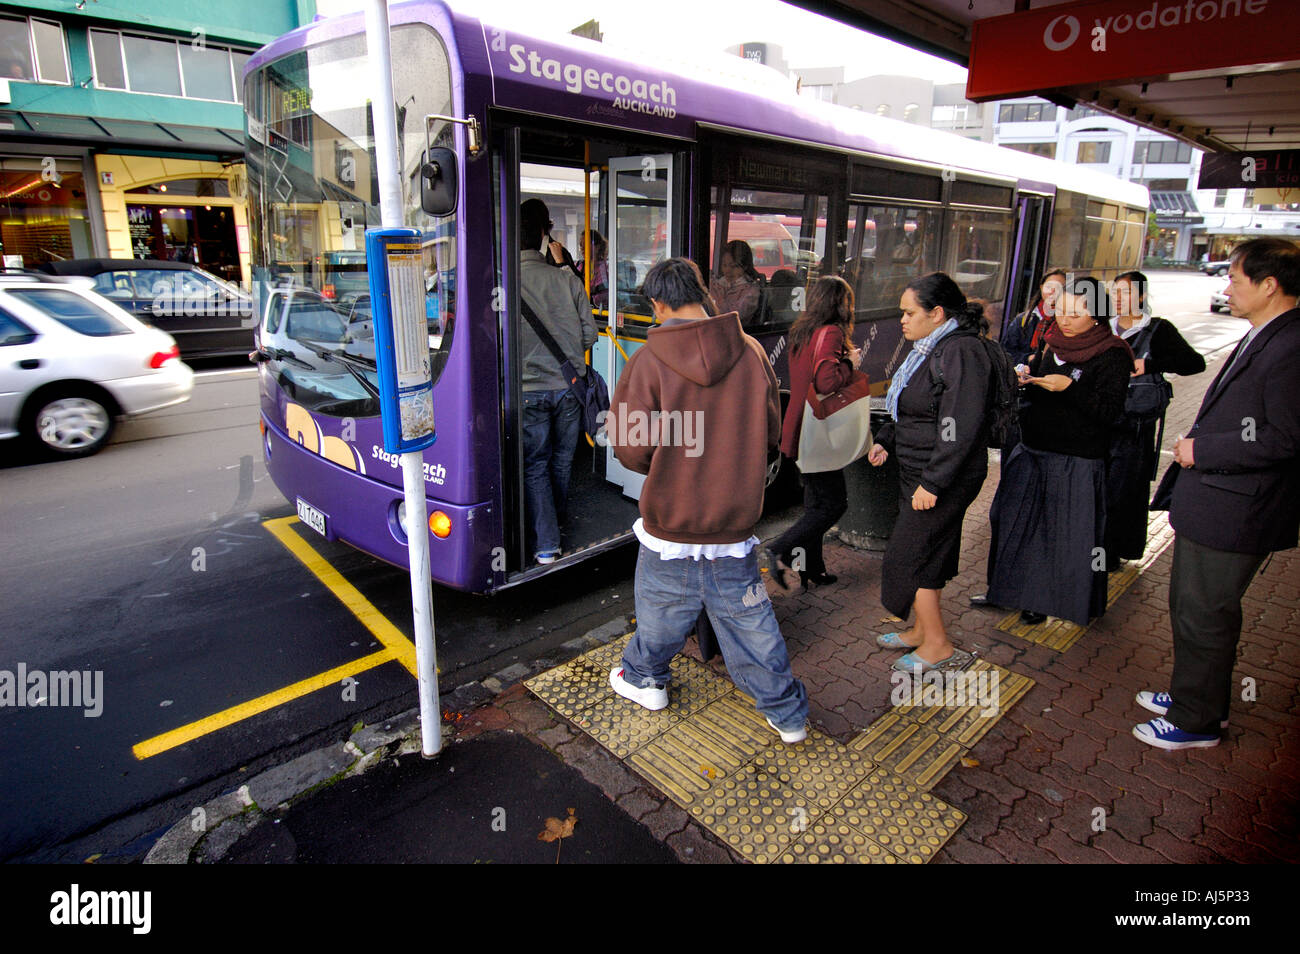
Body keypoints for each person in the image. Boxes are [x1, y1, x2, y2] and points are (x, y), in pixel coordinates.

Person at [605, 257, 809, 743]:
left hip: (668, 530)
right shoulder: (753, 352)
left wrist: (668, 465)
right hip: (733, 532)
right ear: (703, 293)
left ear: (658, 304)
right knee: (753, 624)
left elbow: (629, 448)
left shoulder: (647, 362)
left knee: (657, 615)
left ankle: (645, 680)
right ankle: (787, 714)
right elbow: (770, 435)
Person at [1135, 238, 1300, 750]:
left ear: (1268, 285)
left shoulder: (1292, 345)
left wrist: (1200, 450)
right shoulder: (1267, 334)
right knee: (1191, 606)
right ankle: (1196, 697)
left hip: (1237, 506)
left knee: (1205, 612)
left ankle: (1196, 721)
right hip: (1218, 502)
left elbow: (1285, 437)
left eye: (1235, 278)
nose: (1226, 287)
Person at [985, 276, 1133, 625]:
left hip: (1077, 461)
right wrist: (1027, 378)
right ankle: (1013, 593)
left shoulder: (1113, 355)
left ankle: (1068, 602)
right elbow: (1036, 387)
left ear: (1096, 316)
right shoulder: (1051, 344)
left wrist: (1070, 389)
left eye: (1074, 314)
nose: (1063, 320)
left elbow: (1110, 413)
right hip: (1033, 452)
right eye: (1060, 311)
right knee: (1014, 524)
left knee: (1069, 537)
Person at [868, 272, 994, 672]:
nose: (902, 320)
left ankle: (938, 645)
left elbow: (962, 425)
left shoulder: (961, 353)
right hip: (919, 470)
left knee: (911, 556)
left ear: (937, 313)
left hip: (941, 477)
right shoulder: (928, 348)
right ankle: (922, 632)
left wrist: (934, 482)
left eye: (909, 313)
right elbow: (911, 406)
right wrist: (886, 439)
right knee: (930, 553)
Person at [1103, 270, 1205, 569]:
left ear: (1142, 296)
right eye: (1115, 293)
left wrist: (1149, 364)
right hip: (1100, 422)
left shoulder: (1158, 330)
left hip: (1135, 428)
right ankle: (1095, 548)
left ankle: (1110, 554)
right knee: (1097, 488)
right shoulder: (1103, 328)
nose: (1118, 299)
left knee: (1122, 492)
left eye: (1126, 293)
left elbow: (1194, 364)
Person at [768, 276, 862, 589]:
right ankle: (779, 549)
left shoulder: (802, 330)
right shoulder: (832, 332)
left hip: (799, 424)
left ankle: (810, 567)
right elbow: (826, 383)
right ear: (840, 303)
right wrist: (850, 363)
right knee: (833, 504)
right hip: (819, 428)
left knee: (815, 501)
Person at [519, 198, 597, 565]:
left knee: (535, 464)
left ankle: (546, 542)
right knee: (562, 460)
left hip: (527, 392)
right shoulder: (566, 279)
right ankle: (557, 521)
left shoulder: (500, 282)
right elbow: (589, 336)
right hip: (569, 388)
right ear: (543, 233)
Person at [1000, 267, 1066, 364]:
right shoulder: (1023, 319)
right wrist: (1028, 358)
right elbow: (1005, 353)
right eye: (1049, 287)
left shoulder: (1067, 322)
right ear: (1041, 287)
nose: (1052, 291)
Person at [709, 239, 763, 325]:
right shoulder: (715, 284)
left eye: (733, 266)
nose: (727, 270)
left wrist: (719, 300)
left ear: (745, 266)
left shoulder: (751, 292)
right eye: (724, 265)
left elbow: (735, 315)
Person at [577, 229, 609, 309]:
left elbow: (603, 295)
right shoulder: (578, 265)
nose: (582, 248)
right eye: (581, 245)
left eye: (586, 245)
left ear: (597, 247)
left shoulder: (604, 269)